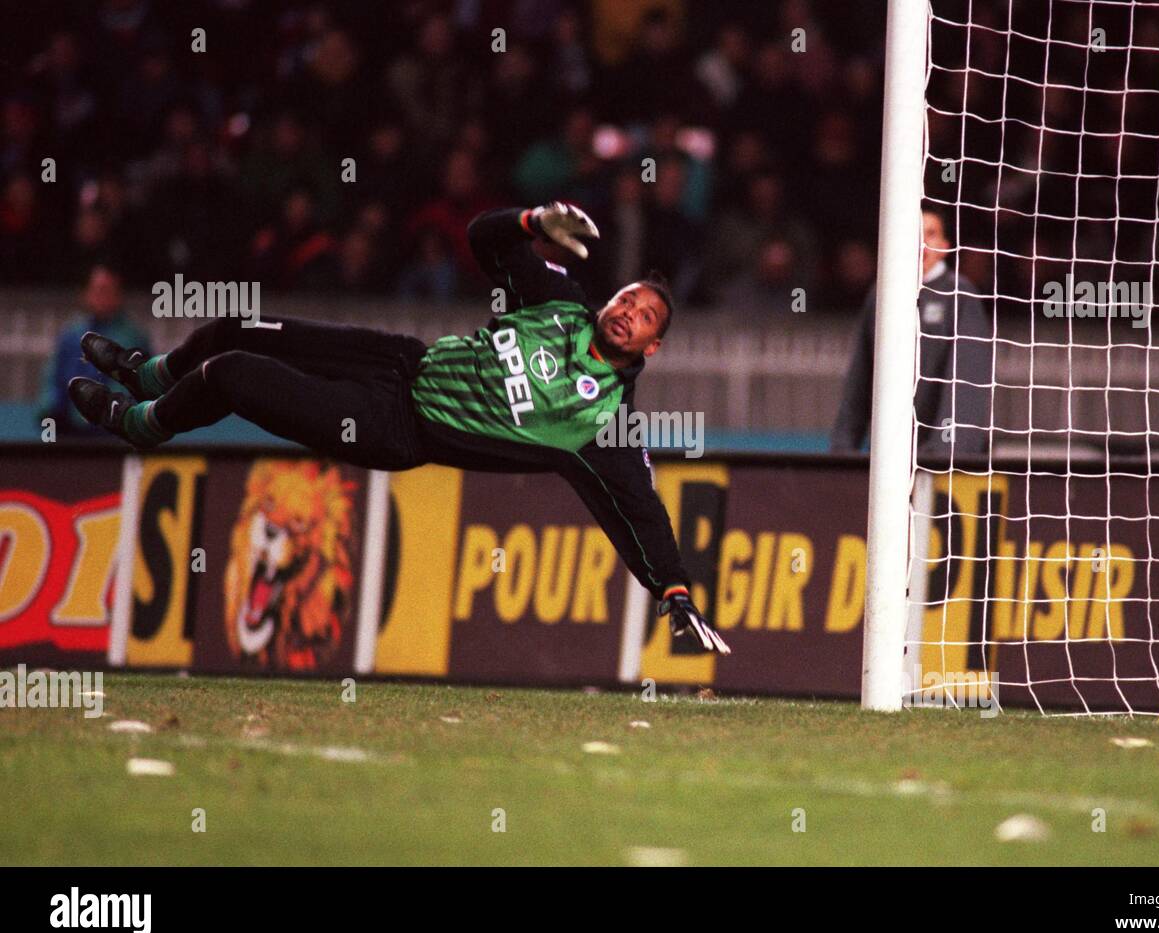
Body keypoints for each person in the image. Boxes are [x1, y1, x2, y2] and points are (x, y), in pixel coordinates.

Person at [67, 202, 728, 655]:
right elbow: (482, 239)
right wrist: (530, 219)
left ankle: (143, 424)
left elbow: (640, 511)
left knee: (233, 373)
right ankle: (145, 372)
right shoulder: (558, 303)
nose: (628, 313)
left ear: (652, 348)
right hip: (396, 359)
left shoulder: (601, 422)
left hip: (392, 427)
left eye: (645, 317)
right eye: (627, 300)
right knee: (235, 323)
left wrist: (672, 590)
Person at [830, 204, 992, 455]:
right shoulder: (881, 294)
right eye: (914, 233)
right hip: (888, 457)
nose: (922, 242)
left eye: (931, 233)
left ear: (946, 245)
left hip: (938, 462)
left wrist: (945, 453)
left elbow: (965, 384)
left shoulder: (960, 296)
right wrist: (843, 446)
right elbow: (861, 377)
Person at [39, 264, 151, 435]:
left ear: (118, 296)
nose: (102, 297)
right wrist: (50, 413)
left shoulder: (133, 338)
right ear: (86, 294)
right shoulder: (70, 335)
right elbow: (53, 380)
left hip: (114, 430)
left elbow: (135, 388)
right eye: (98, 290)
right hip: (70, 429)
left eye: (108, 291)